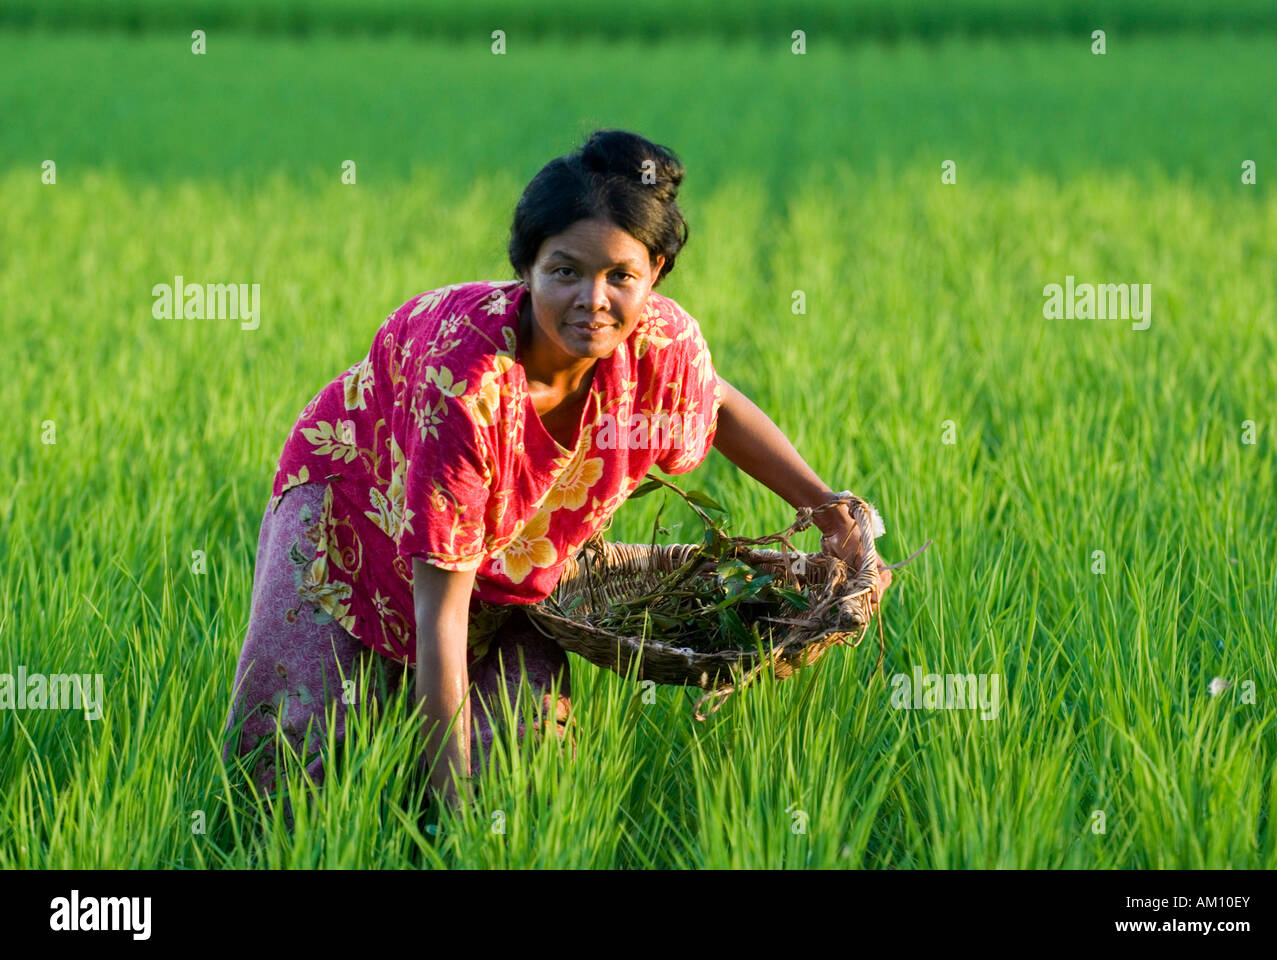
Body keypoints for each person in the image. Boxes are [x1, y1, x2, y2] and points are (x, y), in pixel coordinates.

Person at [222, 128, 892, 816]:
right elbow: (441, 617)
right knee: (305, 760)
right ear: (527, 267)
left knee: (524, 758)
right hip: (357, 499)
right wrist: (450, 816)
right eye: (565, 271)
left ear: (656, 271)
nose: (593, 299)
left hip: (513, 548)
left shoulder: (661, 344)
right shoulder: (470, 388)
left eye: (620, 276)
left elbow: (715, 405)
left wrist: (832, 514)